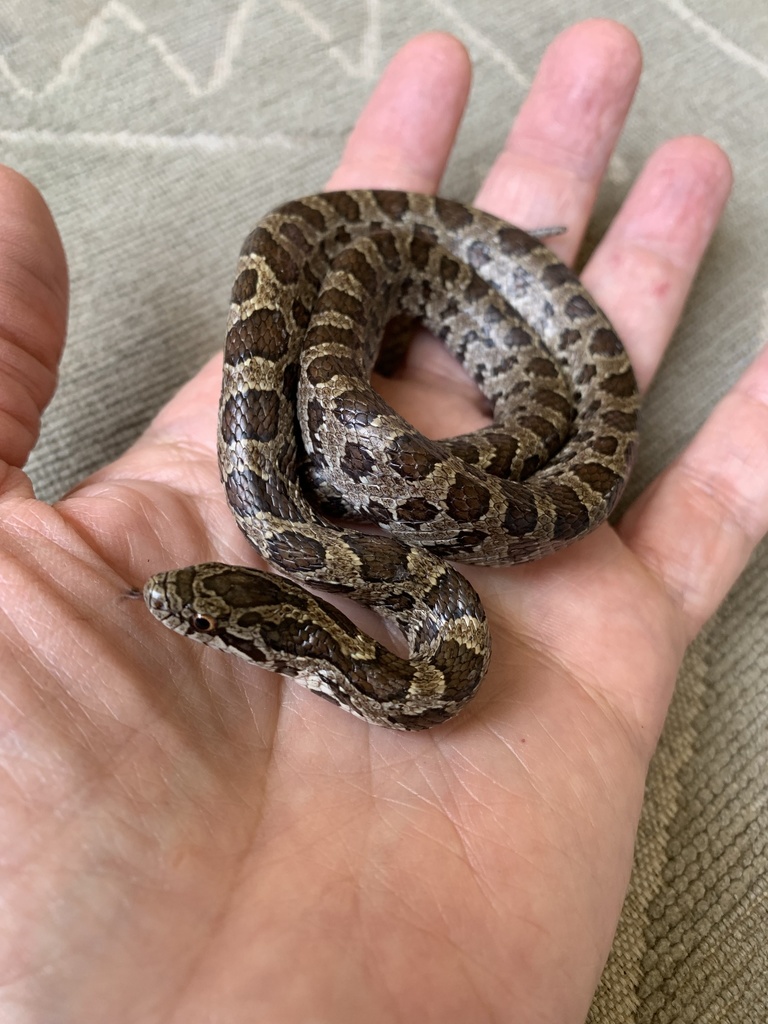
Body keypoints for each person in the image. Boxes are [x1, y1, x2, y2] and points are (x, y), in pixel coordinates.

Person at [0, 18, 762, 1024]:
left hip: (440, 420)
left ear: (262, 632)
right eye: (201, 611)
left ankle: (431, 295)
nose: (178, 607)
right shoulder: (364, 602)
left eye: (204, 619)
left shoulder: (359, 586)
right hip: (368, 399)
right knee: (299, 271)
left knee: (372, 390)